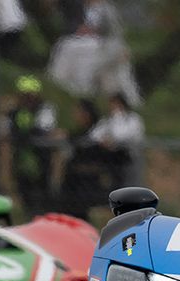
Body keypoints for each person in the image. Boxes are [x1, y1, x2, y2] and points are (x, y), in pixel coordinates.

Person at [6, 75, 58, 215]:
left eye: (29, 95)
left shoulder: (44, 108)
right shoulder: (15, 111)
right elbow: (11, 129)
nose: (26, 99)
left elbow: (44, 128)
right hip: (23, 157)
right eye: (24, 95)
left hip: (40, 156)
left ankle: (43, 215)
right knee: (23, 189)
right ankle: (29, 214)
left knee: (42, 189)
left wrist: (27, 133)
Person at [60, 99, 109, 220]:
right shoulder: (77, 133)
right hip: (74, 181)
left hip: (86, 182)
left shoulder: (97, 131)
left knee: (81, 213)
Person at [90, 93, 145, 188]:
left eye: (114, 104)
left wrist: (114, 139)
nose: (111, 107)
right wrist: (103, 139)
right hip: (112, 156)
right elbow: (94, 134)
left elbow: (131, 134)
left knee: (130, 183)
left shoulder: (132, 119)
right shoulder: (108, 120)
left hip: (129, 156)